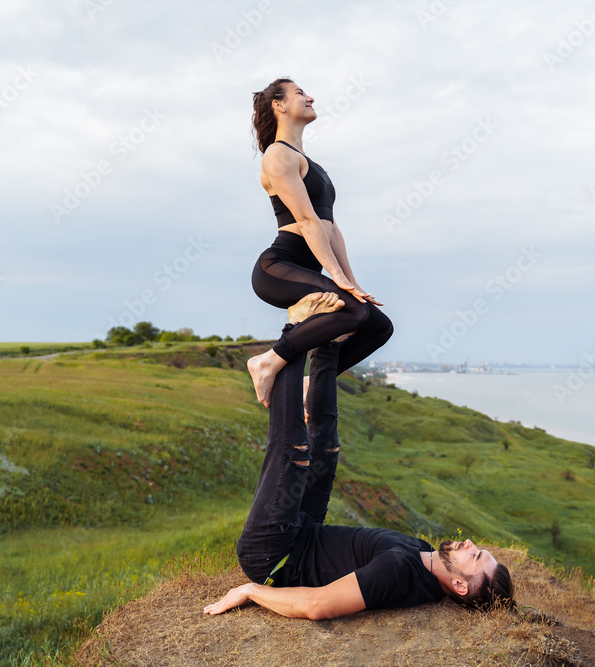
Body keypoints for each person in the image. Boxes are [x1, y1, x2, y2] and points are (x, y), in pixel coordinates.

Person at [203, 330, 515, 619]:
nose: (471, 543)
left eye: (475, 557)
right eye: (478, 550)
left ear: (460, 585)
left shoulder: (400, 572)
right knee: (326, 447)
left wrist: (250, 590)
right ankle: (328, 341)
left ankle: (291, 336)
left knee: (294, 452)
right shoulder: (423, 555)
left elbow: (317, 605)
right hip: (306, 530)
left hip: (274, 552)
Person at [246, 77, 393, 408]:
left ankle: (311, 381)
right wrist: (336, 278)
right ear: (279, 105)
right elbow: (308, 222)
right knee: (353, 311)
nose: (310, 97)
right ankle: (266, 361)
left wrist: (350, 281)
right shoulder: (277, 155)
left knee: (379, 325)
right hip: (278, 268)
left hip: (309, 266)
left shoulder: (314, 166)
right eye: (300, 93)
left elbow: (332, 229)